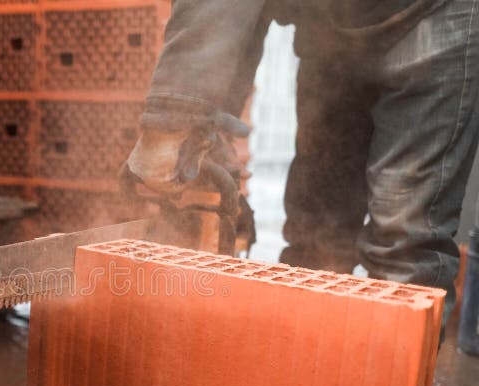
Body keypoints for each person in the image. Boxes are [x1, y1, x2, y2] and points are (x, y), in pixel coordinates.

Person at [125, 0, 479, 330]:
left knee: (405, 246)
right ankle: (309, 382)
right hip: (331, 31)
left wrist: (171, 116)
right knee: (317, 237)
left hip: (435, 17)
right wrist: (203, 122)